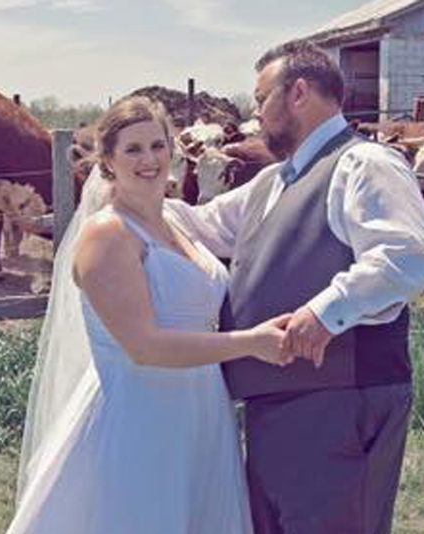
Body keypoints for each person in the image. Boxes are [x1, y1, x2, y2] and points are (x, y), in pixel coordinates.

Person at [5, 96, 291, 534]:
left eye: (157, 145)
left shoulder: (177, 221)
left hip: (200, 410)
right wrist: (251, 343)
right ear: (107, 161)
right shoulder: (108, 233)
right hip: (139, 416)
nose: (149, 159)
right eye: (133, 149)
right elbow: (144, 346)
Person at [179, 40, 424, 534]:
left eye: (259, 98)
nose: (253, 114)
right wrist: (123, 201)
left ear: (298, 93)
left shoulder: (365, 164)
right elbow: (199, 225)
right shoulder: (272, 182)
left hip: (342, 397)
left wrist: (322, 312)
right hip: (276, 402)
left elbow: (406, 256)